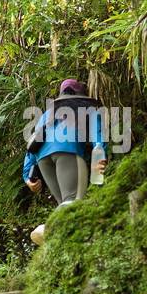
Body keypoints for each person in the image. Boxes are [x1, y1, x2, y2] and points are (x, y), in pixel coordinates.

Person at [23, 78, 108, 207]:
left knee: (63, 204)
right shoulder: (87, 109)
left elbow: (32, 146)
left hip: (42, 159)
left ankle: (60, 226)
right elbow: (98, 135)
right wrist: (100, 158)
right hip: (66, 152)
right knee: (72, 201)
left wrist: (27, 177)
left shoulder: (46, 115)